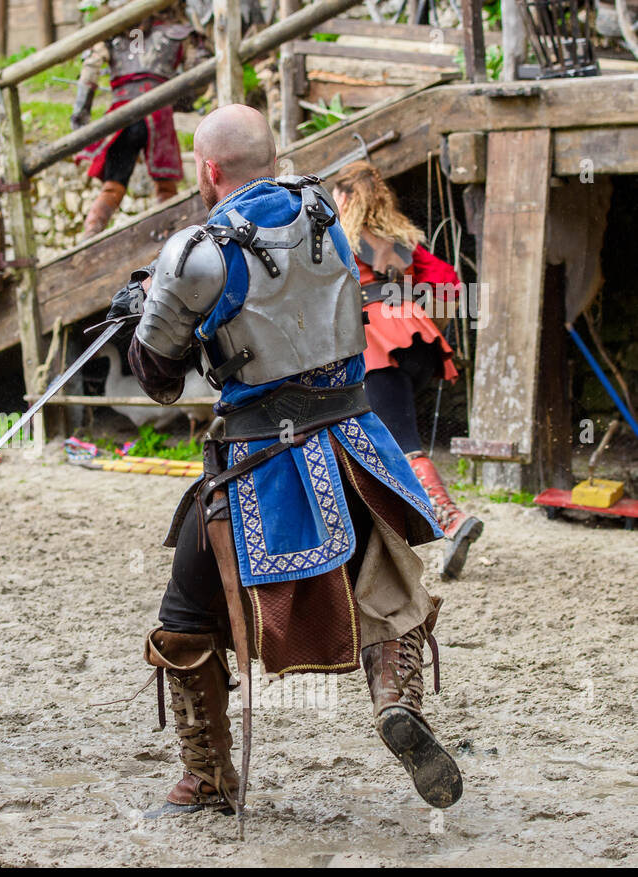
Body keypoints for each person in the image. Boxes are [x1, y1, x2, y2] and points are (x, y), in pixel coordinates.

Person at [114, 105, 463, 820]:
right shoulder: (326, 212)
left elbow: (159, 377)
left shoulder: (195, 252)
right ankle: (394, 700)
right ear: (270, 155)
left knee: (185, 616)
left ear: (208, 170)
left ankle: (207, 776)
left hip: (262, 458)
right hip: (357, 440)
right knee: (385, 580)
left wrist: (142, 306)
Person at [331, 161, 482, 579]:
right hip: (417, 343)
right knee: (371, 440)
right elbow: (450, 283)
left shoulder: (336, 240)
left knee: (399, 440)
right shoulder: (403, 241)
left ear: (344, 197)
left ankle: (449, 518)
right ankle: (374, 542)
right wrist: (425, 318)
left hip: (377, 345)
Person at [71, 2, 203, 239]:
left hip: (123, 115)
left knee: (113, 185)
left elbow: (89, 72)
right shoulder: (176, 29)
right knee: (165, 188)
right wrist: (182, 101)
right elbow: (199, 70)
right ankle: (171, 241)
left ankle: (89, 236)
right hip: (158, 115)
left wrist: (80, 118)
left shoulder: (110, 31)